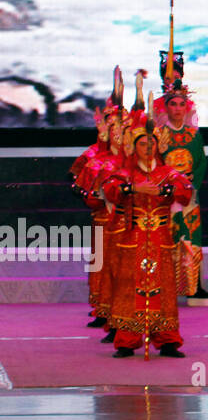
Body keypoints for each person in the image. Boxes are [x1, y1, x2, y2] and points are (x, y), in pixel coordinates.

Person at [101, 113, 194, 357]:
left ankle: (166, 340)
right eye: (143, 143)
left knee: (163, 287)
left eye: (152, 143)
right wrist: (134, 188)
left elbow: (185, 190)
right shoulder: (126, 173)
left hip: (160, 238)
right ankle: (127, 340)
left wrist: (167, 190)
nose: (148, 148)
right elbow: (110, 189)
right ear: (134, 146)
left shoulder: (167, 172)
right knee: (129, 287)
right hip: (133, 237)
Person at [70, 67, 126, 330]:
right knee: (102, 266)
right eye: (110, 125)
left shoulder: (132, 161)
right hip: (103, 222)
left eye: (119, 127)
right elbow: (81, 189)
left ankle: (120, 314)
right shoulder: (96, 159)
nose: (113, 131)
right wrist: (93, 196)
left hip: (127, 225)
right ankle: (103, 309)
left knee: (121, 269)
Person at [155, 80, 208, 305]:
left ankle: (193, 287)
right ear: (167, 108)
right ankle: (164, 288)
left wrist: (190, 186)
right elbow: (156, 163)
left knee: (191, 237)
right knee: (167, 239)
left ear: (186, 108)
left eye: (182, 104)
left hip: (188, 196)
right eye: (173, 104)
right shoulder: (159, 135)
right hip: (167, 197)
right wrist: (169, 185)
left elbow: (200, 164)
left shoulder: (194, 135)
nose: (178, 109)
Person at [152, 50, 198, 128]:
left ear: (181, 78)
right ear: (163, 79)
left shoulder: (189, 106)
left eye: (176, 78)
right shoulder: (155, 105)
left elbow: (193, 133)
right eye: (168, 78)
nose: (172, 82)